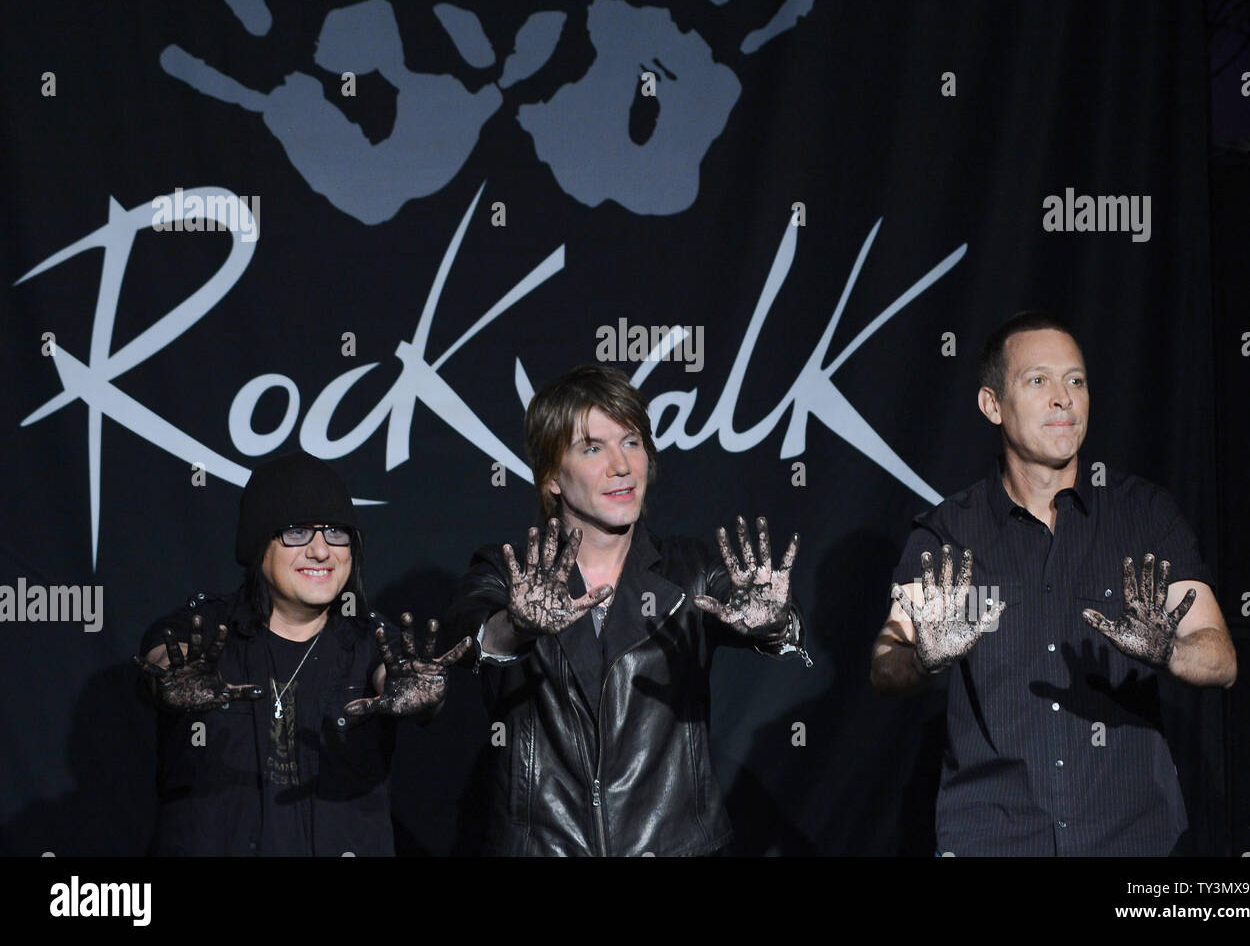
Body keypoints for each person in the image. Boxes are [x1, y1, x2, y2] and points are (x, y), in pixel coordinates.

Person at [870, 311, 1236, 856]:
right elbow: (886, 662)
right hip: (995, 836)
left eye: (1076, 380)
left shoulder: (1145, 516)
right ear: (992, 404)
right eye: (1038, 380)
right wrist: (924, 656)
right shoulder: (949, 532)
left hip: (1132, 837)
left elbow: (1221, 660)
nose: (1064, 398)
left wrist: (1170, 652)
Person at [445, 364, 811, 856]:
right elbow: (468, 638)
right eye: (593, 447)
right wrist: (516, 626)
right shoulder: (509, 573)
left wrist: (775, 624)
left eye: (632, 442)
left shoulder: (691, 571)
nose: (621, 465)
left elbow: (773, 622)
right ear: (552, 476)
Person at [134, 450, 468, 856]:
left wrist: (417, 693)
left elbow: (396, 678)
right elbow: (164, 661)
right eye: (297, 532)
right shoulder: (203, 631)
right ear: (259, 544)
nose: (321, 550)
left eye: (335, 532)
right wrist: (171, 679)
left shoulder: (376, 642)